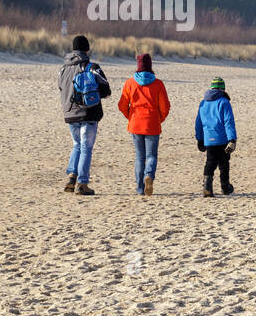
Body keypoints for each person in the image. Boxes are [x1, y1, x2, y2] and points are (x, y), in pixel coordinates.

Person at [58, 35, 112, 195]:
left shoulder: (62, 69)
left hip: (70, 114)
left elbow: (61, 89)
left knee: (76, 145)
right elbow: (106, 89)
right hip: (88, 113)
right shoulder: (91, 67)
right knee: (86, 147)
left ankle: (71, 176)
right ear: (87, 49)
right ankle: (82, 183)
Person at [117, 53, 171, 196]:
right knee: (151, 155)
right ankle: (149, 175)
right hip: (152, 122)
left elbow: (122, 105)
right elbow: (165, 107)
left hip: (135, 122)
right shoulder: (158, 84)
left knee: (140, 156)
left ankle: (140, 188)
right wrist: (159, 119)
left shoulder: (130, 83)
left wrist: (130, 116)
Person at [195, 77, 237, 197]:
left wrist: (200, 139)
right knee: (224, 164)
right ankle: (225, 187)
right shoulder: (224, 102)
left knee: (210, 162)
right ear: (222, 89)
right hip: (222, 139)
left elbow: (198, 123)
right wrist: (232, 139)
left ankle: (207, 187)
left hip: (209, 139)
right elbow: (229, 122)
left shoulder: (203, 103)